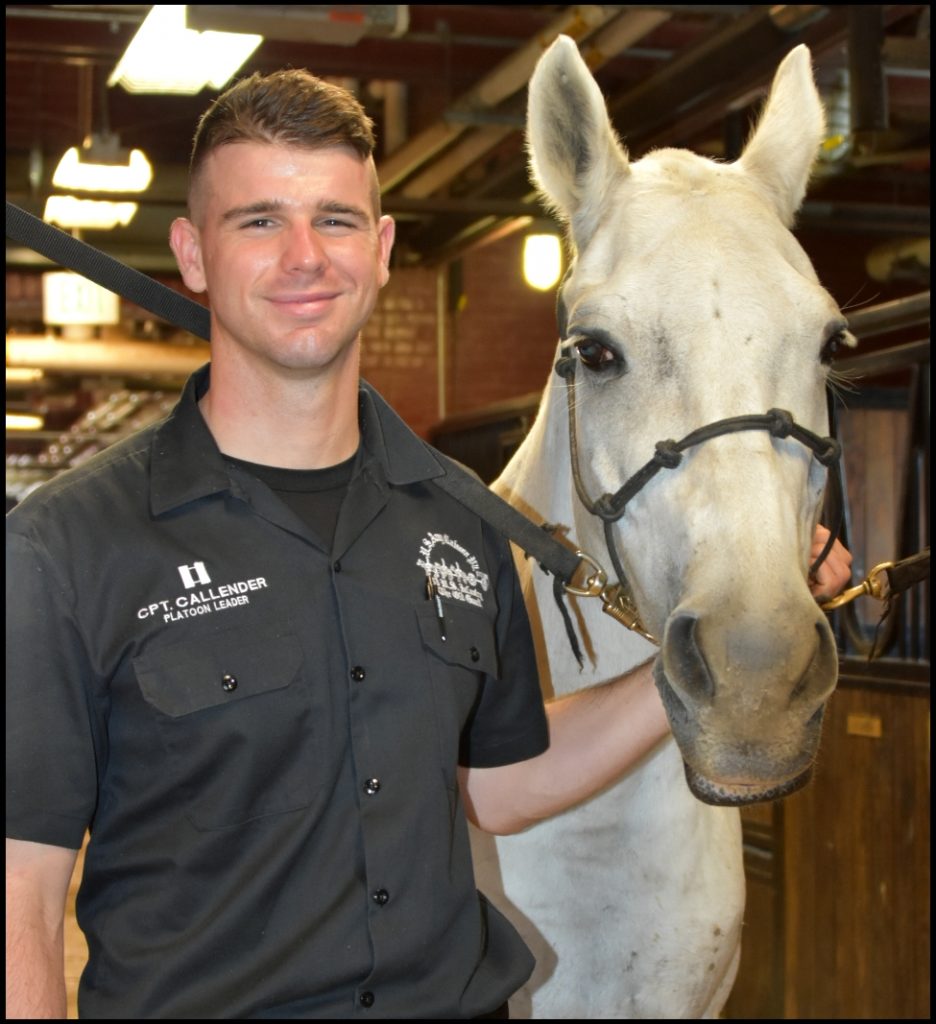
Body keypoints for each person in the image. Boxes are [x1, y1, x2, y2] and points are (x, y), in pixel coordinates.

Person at [6, 69, 852, 1020]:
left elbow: (498, 786)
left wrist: (703, 654)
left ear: (379, 251)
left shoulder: (464, 526)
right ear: (191, 255)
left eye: (333, 221)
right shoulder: (64, 549)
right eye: (257, 222)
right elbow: (22, 906)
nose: (303, 258)